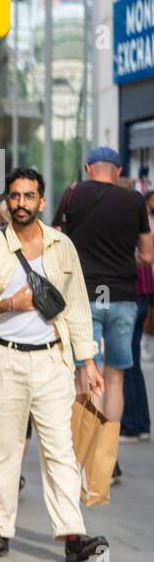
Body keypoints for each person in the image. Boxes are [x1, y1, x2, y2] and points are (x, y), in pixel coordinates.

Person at [0, 168, 109, 562]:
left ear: (42, 200)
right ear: (7, 200)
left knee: (61, 451)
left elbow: (77, 307)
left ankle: (73, 534)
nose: (21, 203)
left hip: (53, 360)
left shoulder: (62, 246)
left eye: (29, 196)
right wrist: (6, 304)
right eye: (15, 196)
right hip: (3, 357)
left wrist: (86, 360)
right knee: (0, 452)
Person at [55, 146, 154, 481]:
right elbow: (148, 254)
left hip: (84, 296)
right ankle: (108, 460)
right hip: (124, 296)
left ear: (87, 167)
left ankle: (88, 455)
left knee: (86, 375)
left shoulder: (73, 195)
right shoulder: (135, 201)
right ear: (118, 170)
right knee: (115, 378)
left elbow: (55, 240)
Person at [120, 188, 154, 442]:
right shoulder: (140, 226)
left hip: (135, 296)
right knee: (132, 362)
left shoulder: (134, 228)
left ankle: (133, 424)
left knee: (128, 363)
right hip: (142, 295)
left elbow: (145, 258)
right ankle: (140, 422)